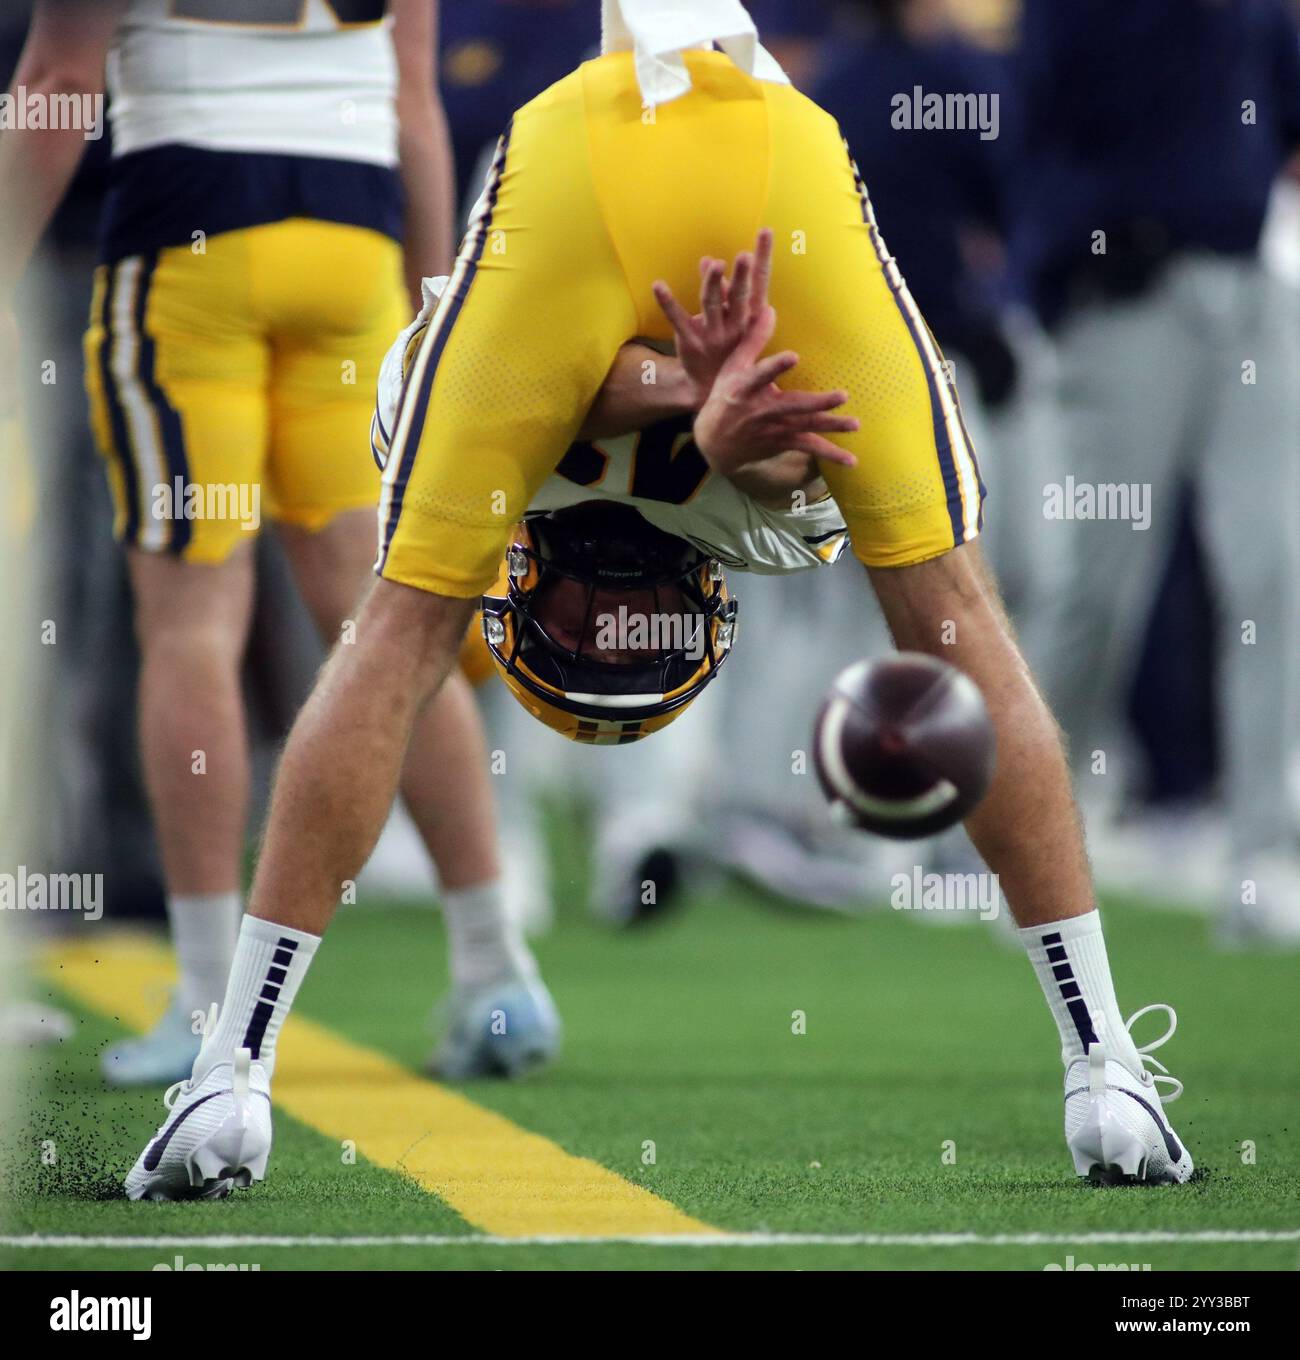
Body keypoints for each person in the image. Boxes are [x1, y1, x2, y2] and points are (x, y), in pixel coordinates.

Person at [127, 0, 1193, 1199]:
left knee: (396, 629)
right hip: (764, 184)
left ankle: (233, 1064)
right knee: (954, 612)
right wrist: (719, 426)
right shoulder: (753, 528)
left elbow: (521, 368)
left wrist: (685, 397)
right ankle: (1102, 1061)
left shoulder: (624, 500)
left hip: (598, 170)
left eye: (582, 629)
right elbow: (789, 453)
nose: (607, 607)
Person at [0, 0, 558, 1085]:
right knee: (387, 624)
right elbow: (414, 100)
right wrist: (435, 305)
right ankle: (495, 967)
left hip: (187, 233)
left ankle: (210, 993)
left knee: (195, 624)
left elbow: (57, 79)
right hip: (349, 238)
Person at [1016, 0, 1300, 943]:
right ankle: (1029, 841)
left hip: (1252, 288)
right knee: (1099, 587)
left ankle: (1264, 857)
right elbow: (1038, 128)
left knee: (1273, 569)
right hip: (1125, 298)